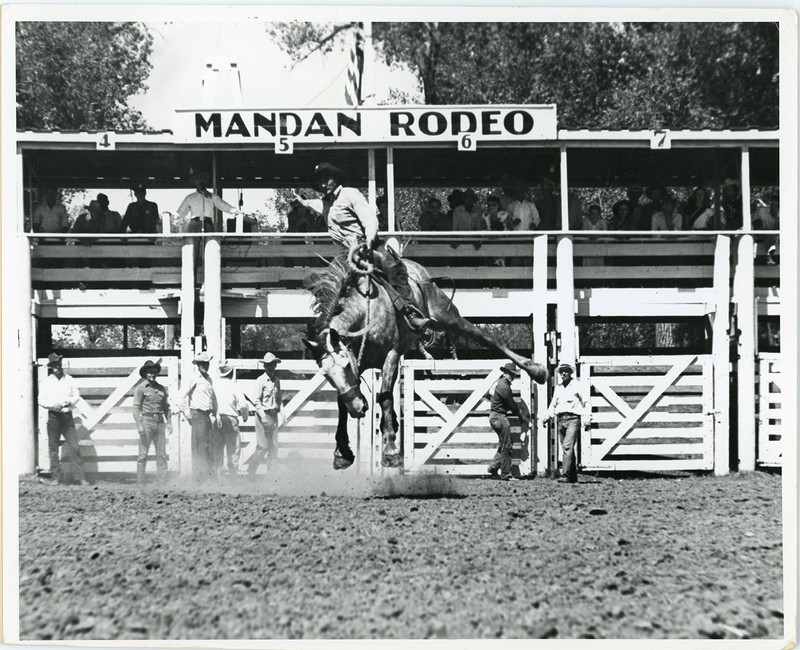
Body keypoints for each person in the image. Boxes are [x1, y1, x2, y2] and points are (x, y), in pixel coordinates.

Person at [293, 162, 431, 331]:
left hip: (367, 245)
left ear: (335, 178)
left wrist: (369, 240)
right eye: (319, 182)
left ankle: (411, 313)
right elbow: (314, 205)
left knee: (394, 267)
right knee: (312, 280)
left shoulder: (350, 194)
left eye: (326, 179)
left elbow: (369, 219)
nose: (323, 184)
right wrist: (302, 201)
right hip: (347, 253)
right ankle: (330, 315)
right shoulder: (326, 204)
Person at [38, 353, 89, 486]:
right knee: (53, 448)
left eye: (59, 364)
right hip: (54, 416)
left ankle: (80, 477)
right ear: (51, 367)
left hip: (67, 416)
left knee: (74, 446)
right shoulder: (46, 382)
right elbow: (41, 400)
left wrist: (69, 401)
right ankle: (56, 478)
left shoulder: (69, 379)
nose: (57, 367)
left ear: (61, 364)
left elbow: (76, 396)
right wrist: (52, 405)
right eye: (54, 365)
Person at [541, 362, 591, 484]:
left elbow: (586, 402)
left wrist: (587, 418)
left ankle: (565, 474)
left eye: (566, 371)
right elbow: (553, 404)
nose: (563, 373)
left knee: (567, 446)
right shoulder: (558, 388)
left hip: (573, 419)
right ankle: (572, 477)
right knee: (566, 448)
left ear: (570, 373)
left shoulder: (577, 385)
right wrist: (547, 416)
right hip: (560, 419)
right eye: (561, 371)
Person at [487, 363, 530, 481]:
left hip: (494, 416)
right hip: (500, 416)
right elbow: (512, 405)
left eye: (513, 374)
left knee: (504, 444)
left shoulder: (497, 383)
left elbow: (487, 394)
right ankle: (505, 473)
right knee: (507, 445)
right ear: (505, 373)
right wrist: (520, 416)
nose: (511, 376)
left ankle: (493, 468)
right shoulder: (504, 386)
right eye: (510, 374)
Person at [132, 359, 171, 484]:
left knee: (161, 454)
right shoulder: (141, 388)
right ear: (145, 374)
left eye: (154, 372)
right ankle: (140, 481)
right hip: (147, 421)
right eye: (149, 372)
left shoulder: (161, 388)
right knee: (143, 453)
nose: (152, 375)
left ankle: (162, 481)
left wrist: (169, 422)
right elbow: (136, 408)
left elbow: (166, 407)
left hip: (160, 422)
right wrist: (139, 425)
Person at [181, 351, 218, 482]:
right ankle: (198, 478)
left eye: (206, 363)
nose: (205, 365)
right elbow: (181, 396)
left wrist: (215, 412)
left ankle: (208, 477)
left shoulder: (209, 379)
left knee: (208, 446)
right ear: (198, 364)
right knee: (199, 447)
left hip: (207, 416)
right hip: (197, 414)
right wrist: (187, 414)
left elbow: (212, 398)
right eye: (202, 363)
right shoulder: (193, 378)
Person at [246, 352, 283, 478]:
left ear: (275, 366)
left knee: (274, 446)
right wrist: (262, 416)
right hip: (263, 416)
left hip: (273, 415)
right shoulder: (260, 381)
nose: (270, 368)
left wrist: (279, 412)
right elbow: (256, 400)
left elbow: (279, 399)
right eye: (267, 365)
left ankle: (272, 475)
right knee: (263, 446)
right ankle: (251, 471)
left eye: (272, 365)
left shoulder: (277, 381)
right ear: (264, 367)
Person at [214, 362, 249, 478]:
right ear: (231, 373)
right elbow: (243, 405)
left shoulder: (214, 385)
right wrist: (245, 415)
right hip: (230, 419)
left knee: (218, 448)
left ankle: (218, 476)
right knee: (233, 449)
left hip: (217, 419)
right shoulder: (234, 386)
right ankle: (233, 476)